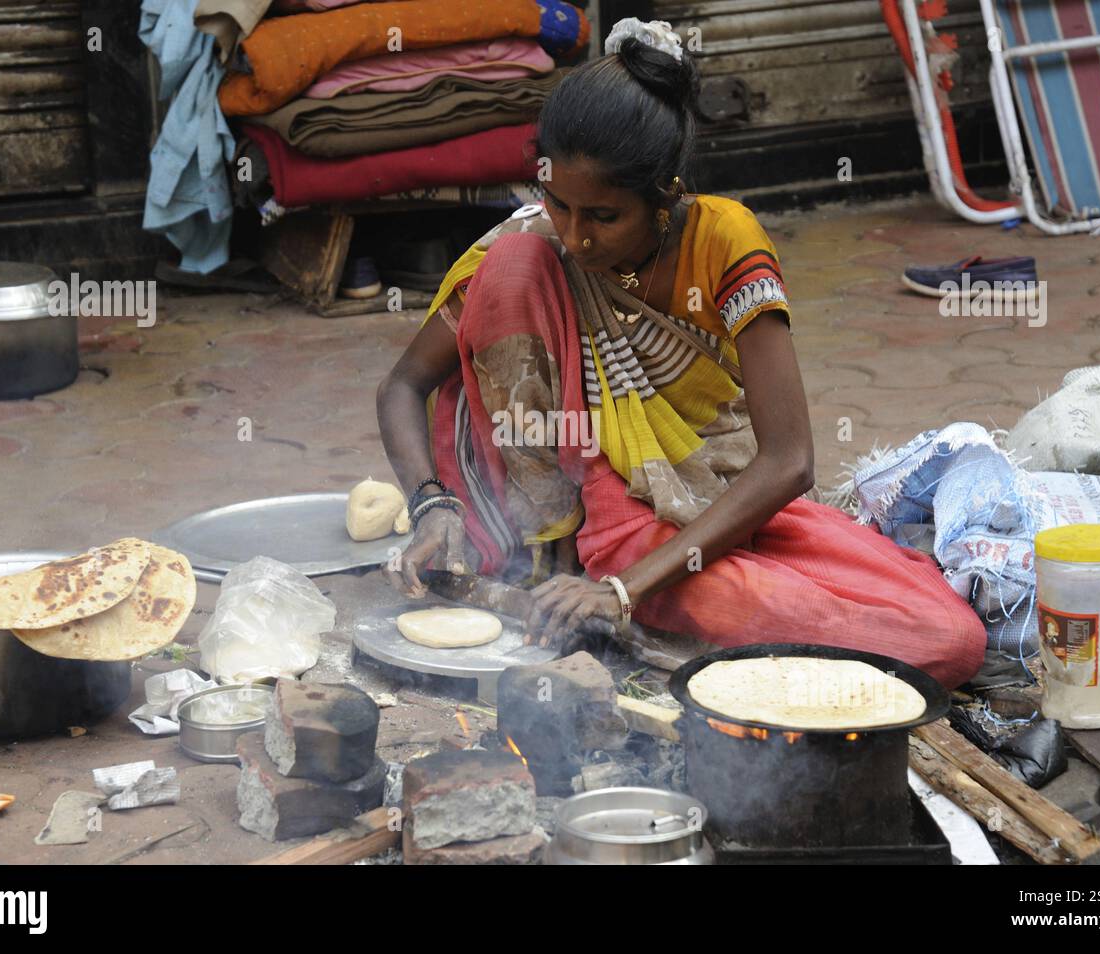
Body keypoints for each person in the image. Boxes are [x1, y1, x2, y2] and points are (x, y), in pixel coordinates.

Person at [375, 19, 986, 687]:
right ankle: (552, 561)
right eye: (558, 204)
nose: (576, 237)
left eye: (604, 217)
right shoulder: (534, 245)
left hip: (707, 504)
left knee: (948, 637)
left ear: (663, 195)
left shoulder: (724, 241)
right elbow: (402, 385)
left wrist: (623, 592)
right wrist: (433, 506)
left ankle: (627, 611)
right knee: (515, 264)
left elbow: (789, 461)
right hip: (605, 522)